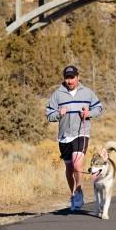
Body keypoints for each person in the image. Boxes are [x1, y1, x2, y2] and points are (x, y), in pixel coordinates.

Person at [46, 66, 103, 211]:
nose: (70, 80)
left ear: (78, 77)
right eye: (67, 77)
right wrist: (59, 114)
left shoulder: (87, 93)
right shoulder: (57, 94)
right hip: (64, 136)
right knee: (69, 167)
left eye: (72, 77)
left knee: (78, 165)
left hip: (81, 133)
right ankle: (73, 194)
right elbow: (49, 114)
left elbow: (99, 108)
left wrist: (89, 113)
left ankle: (78, 192)